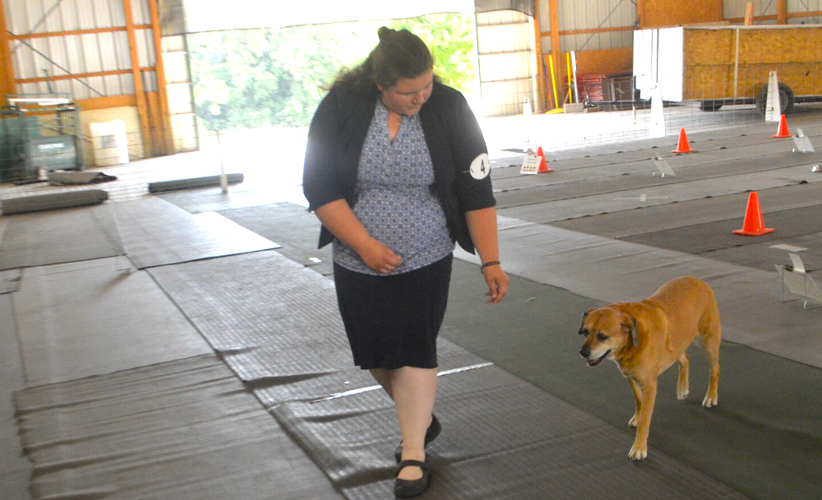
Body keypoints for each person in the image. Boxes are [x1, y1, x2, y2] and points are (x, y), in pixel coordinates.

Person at [303, 26, 508, 498]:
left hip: (427, 251)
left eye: (427, 87)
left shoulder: (450, 107)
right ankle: (419, 416)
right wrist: (365, 246)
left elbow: (477, 189)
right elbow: (319, 186)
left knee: (415, 347)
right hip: (356, 257)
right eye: (408, 92)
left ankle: (413, 454)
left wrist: (491, 261)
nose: (420, 98)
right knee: (376, 354)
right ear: (380, 85)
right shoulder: (341, 107)